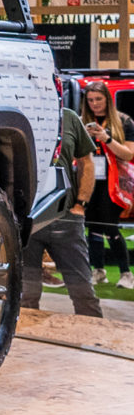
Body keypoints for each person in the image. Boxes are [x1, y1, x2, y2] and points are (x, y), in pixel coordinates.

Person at [23, 104, 100, 317]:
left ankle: (94, 335)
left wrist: (80, 204)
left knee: (83, 292)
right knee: (25, 295)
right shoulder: (15, 114)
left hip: (66, 217)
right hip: (26, 220)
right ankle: (28, 338)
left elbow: (86, 162)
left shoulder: (68, 118)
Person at [82, 82, 134, 290]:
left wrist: (106, 139)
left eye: (98, 99)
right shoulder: (83, 121)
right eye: (90, 100)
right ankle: (98, 271)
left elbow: (128, 154)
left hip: (114, 182)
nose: (94, 104)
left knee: (110, 225)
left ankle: (126, 273)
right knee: (93, 226)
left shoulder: (124, 121)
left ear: (107, 99)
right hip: (89, 179)